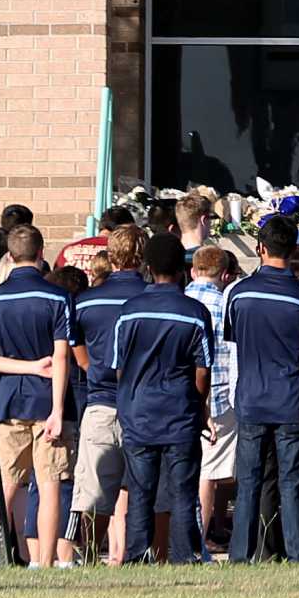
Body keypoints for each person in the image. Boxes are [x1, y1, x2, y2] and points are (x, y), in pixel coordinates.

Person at [225, 216, 299, 563]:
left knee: (249, 484)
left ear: (260, 248)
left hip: (251, 397)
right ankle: (298, 554)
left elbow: (234, 339)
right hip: (291, 399)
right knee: (291, 482)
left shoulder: (238, 293)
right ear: (294, 249)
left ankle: (240, 555)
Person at [0, 224, 76, 568]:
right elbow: (61, 356)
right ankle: (44, 561)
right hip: (48, 399)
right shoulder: (57, 298)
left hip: (8, 400)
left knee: (6, 483)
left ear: (8, 254)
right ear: (40, 251)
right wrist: (58, 408)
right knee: (48, 483)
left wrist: (26, 367)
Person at [111, 235, 212, 564]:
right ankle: (184, 555)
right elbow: (202, 370)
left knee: (141, 490)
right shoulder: (195, 312)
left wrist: (129, 400)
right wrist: (198, 406)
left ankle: (138, 555)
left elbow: (119, 368)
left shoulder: (129, 311)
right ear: (182, 270)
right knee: (183, 491)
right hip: (179, 410)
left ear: (148, 268)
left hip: (138, 410)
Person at [69, 224, 148, 565]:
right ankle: (138, 553)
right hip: (144, 402)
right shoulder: (149, 297)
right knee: (142, 488)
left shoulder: (86, 301)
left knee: (93, 491)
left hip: (101, 400)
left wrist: (93, 370)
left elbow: (76, 348)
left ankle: (88, 555)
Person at [187, 246, 239, 556]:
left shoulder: (180, 301)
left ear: (193, 271)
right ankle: (197, 541)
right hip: (219, 397)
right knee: (209, 474)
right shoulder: (226, 305)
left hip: (177, 399)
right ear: (224, 274)